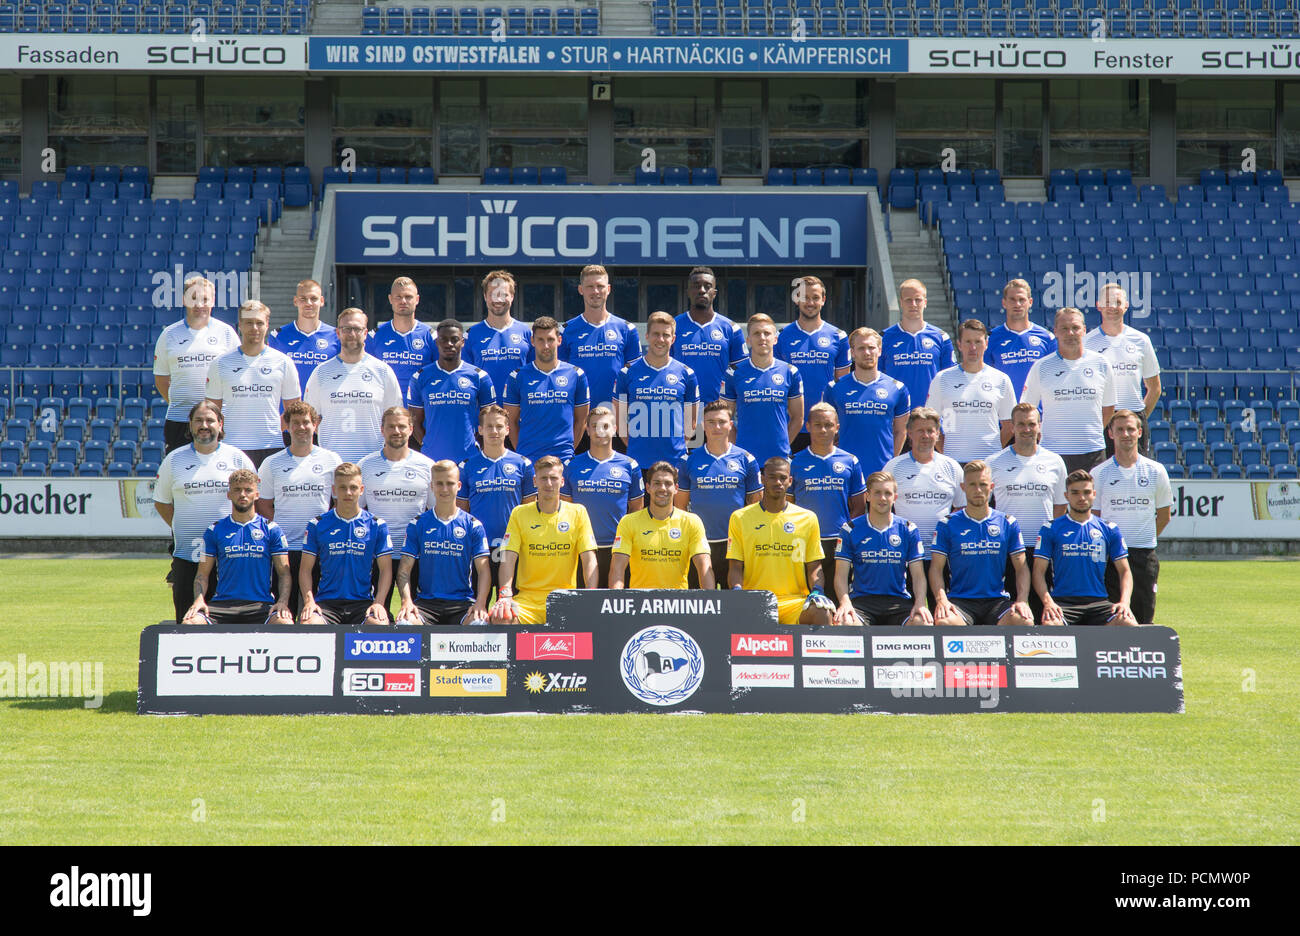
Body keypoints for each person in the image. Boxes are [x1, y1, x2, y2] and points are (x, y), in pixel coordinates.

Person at [154, 402, 255, 623]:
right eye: (198, 420)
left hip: (232, 557)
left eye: (210, 420)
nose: (204, 425)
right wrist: (182, 526)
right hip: (188, 557)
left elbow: (252, 500)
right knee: (188, 622)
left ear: (220, 424)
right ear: (190, 425)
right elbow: (161, 502)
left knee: (234, 623)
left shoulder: (237, 458)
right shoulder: (174, 459)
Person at [255, 400, 342, 615]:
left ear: (315, 425)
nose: (301, 427)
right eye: (295, 423)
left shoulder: (331, 459)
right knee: (285, 609)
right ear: (287, 426)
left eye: (306, 422)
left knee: (319, 609)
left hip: (321, 547)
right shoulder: (272, 463)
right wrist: (280, 528)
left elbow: (339, 502)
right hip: (285, 547)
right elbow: (263, 504)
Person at [492, 456, 599, 627]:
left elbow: (589, 559)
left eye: (554, 478)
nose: (549, 483)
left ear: (562, 481)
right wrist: (505, 594)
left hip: (565, 598)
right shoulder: (519, 513)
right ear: (535, 481)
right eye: (544, 478)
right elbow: (508, 557)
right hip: (528, 600)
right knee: (501, 618)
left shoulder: (578, 512)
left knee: (589, 622)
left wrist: (591, 597)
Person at [1090, 409, 1173, 627]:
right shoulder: (1099, 473)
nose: (1125, 434)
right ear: (1111, 434)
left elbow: (1164, 516)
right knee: (1110, 618)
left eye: (1130, 429)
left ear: (1139, 432)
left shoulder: (1156, 471)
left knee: (1143, 617)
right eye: (1120, 430)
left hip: (1143, 555)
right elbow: (1095, 519)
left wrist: (1143, 539)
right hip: (1109, 558)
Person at [726, 456, 832, 627]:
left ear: (790, 481)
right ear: (762, 479)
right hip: (755, 599)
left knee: (822, 613)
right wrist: (738, 593)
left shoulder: (808, 518)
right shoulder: (740, 518)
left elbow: (815, 567)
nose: (778, 482)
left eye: (783, 478)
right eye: (772, 477)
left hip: (795, 602)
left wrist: (818, 591)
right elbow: (735, 567)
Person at [988, 402, 1068, 623]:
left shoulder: (1055, 462)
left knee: (1043, 612)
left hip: (1042, 549)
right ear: (1011, 427)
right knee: (1011, 612)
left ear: (1039, 426)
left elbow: (1060, 507)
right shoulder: (994, 462)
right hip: (1006, 549)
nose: (1026, 429)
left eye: (1031, 424)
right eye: (1021, 424)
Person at [929, 461, 1034, 627]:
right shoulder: (947, 524)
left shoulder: (1007, 522)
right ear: (963, 487)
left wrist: (1022, 600)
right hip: (960, 601)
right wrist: (941, 600)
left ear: (991, 486)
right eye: (972, 485)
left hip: (997, 601)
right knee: (944, 622)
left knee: (1023, 621)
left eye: (983, 484)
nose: (978, 490)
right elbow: (936, 568)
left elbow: (1021, 568)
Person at [183, 470, 292, 626]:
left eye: (248, 490)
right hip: (223, 605)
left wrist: (282, 601)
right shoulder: (214, 530)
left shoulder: (272, 529)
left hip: (260, 604)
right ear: (229, 494)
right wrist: (199, 600)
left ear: (257, 494)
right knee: (190, 623)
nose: (242, 494)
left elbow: (284, 573)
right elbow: (202, 575)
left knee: (285, 624)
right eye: (237, 489)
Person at [203, 299, 301, 467]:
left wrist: (273, 430)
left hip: (272, 446)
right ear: (240, 325)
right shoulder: (221, 363)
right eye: (249, 323)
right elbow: (212, 411)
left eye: (259, 323)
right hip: (232, 447)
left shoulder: (283, 362)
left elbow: (294, 410)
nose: (254, 328)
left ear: (267, 324)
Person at [357, 406, 434, 618]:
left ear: (411, 429)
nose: (396, 431)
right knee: (374, 615)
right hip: (375, 555)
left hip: (415, 554)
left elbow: (434, 512)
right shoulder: (366, 466)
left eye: (401, 426)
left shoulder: (427, 466)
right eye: (391, 426)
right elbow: (356, 511)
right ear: (382, 430)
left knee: (415, 616)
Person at [1033, 470, 1137, 627]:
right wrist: (1048, 603)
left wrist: (1124, 602)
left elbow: (1125, 571)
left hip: (1099, 603)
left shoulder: (1109, 528)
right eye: (1075, 493)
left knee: (1128, 623)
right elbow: (1038, 572)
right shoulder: (1050, 528)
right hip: (1063, 603)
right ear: (1066, 496)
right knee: (1050, 626)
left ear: (1094, 494)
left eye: (1086, 492)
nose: (1081, 498)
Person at [1021, 307, 1118, 474]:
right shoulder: (1041, 367)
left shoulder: (1101, 364)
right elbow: (1027, 409)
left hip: (1092, 451)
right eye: (1064, 328)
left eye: (1075, 328)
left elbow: (1108, 408)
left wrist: (1089, 434)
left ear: (1084, 330)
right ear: (1056, 331)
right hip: (1052, 453)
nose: (1070, 333)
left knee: (1090, 501)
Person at [395, 461, 492, 626]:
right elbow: (404, 571)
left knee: (480, 624)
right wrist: (406, 601)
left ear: (459, 486)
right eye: (439, 483)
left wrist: (481, 603)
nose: (445, 489)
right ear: (431, 486)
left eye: (450, 483)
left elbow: (483, 570)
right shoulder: (418, 524)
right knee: (405, 624)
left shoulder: (473, 525)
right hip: (426, 604)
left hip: (462, 604)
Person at [676, 401, 761, 588]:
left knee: (736, 604)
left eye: (722, 422)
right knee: (701, 604)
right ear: (703, 425)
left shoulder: (746, 459)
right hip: (700, 543)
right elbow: (680, 506)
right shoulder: (688, 460)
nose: (717, 427)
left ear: (731, 425)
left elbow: (755, 504)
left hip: (735, 543)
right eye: (711, 422)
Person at [303, 307, 404, 463]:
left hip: (373, 462)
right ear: (338, 333)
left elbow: (396, 419)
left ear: (365, 333)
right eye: (346, 329)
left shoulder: (383, 371)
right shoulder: (321, 373)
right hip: (332, 463)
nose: (351, 334)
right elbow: (309, 419)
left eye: (357, 329)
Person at [788, 403, 866, 605]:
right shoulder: (794, 462)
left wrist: (848, 534)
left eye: (828, 425)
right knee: (804, 596)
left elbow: (858, 506)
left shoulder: (850, 461)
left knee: (836, 594)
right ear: (808, 426)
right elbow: (789, 504)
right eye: (818, 425)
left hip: (837, 540)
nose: (823, 430)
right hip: (803, 539)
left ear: (837, 427)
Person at [298, 462, 393, 628]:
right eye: (342, 487)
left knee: (379, 625)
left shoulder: (377, 525)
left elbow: (386, 570)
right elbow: (305, 569)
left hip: (362, 602)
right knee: (310, 623)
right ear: (334, 490)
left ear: (361, 489)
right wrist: (309, 601)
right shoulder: (317, 525)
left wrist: (378, 603)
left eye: (353, 487)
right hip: (326, 603)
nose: (348, 493)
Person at [832, 471, 932, 627]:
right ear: (867, 496)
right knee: (844, 623)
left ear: (895, 497)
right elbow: (840, 576)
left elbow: (918, 575)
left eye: (887, 493)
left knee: (923, 623)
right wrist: (845, 603)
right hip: (862, 602)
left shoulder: (908, 529)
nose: (883, 498)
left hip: (898, 603)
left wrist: (920, 603)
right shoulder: (850, 529)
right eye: (877, 493)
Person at [457, 405, 536, 600]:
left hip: (513, 547)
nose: (494, 431)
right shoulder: (467, 466)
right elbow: (462, 511)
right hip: (479, 547)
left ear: (507, 430)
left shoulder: (523, 464)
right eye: (489, 426)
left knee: (510, 606)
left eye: (499, 426)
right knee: (476, 606)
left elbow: (529, 509)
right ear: (480, 430)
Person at [153, 275, 238, 455]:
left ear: (213, 301)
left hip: (216, 420)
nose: (199, 304)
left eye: (205, 299)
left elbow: (237, 374)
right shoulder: (169, 335)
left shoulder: (227, 333)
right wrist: (183, 405)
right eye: (194, 298)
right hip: (179, 419)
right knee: (179, 471)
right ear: (184, 300)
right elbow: (161, 379)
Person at [562, 407, 644, 587]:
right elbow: (566, 510)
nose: (600, 431)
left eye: (606, 426)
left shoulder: (630, 465)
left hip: (619, 549)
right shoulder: (571, 465)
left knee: (616, 608)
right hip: (581, 549)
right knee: (584, 607)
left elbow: (637, 509)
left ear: (614, 429)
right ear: (587, 430)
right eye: (595, 426)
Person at [615, 310, 699, 475]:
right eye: (656, 334)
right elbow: (619, 420)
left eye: (666, 335)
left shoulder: (686, 374)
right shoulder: (627, 373)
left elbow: (692, 422)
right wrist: (636, 446)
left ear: (673, 339)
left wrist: (675, 447)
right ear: (646, 336)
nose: (660, 339)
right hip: (638, 461)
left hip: (675, 462)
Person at [609, 461, 713, 589]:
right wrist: (616, 601)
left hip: (677, 603)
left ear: (676, 488)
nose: (662, 488)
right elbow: (617, 568)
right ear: (648, 488)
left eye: (668, 484)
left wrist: (709, 602)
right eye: (657, 483)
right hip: (640, 602)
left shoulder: (691, 521)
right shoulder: (628, 522)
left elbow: (704, 566)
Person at [882, 407, 966, 566]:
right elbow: (881, 507)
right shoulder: (893, 467)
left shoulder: (952, 466)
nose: (926, 435)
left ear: (938, 434)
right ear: (909, 433)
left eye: (930, 430)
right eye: (920, 430)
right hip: (903, 552)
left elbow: (962, 508)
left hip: (942, 553)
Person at [561, 264, 642, 427]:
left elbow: (635, 377)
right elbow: (559, 375)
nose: (595, 291)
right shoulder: (566, 331)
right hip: (577, 419)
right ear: (580, 289)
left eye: (600, 286)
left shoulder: (627, 329)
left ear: (609, 289)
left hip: (616, 419)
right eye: (590, 287)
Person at [776, 275, 850, 452]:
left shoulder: (838, 336)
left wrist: (841, 423)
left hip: (825, 425)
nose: (810, 302)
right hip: (789, 425)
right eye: (805, 297)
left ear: (823, 300)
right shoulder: (781, 336)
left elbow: (844, 386)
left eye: (815, 297)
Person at [1086, 283, 1161, 458]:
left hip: (1132, 415)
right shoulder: (1087, 342)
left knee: (1135, 474)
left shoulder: (1141, 340)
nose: (1113, 307)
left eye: (1118, 302)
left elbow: (1155, 388)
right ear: (1099, 305)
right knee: (1100, 474)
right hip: (1100, 419)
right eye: (1107, 302)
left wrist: (1137, 419)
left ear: (1126, 306)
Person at [926, 318, 1015, 464]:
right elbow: (930, 423)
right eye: (968, 342)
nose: (973, 347)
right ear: (959, 345)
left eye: (978, 342)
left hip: (989, 463)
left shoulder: (1001, 379)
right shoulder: (942, 379)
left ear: (986, 344)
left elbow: (1009, 425)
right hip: (952, 462)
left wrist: (992, 452)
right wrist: (946, 452)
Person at [407, 318, 496, 464]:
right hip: (432, 460)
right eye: (444, 339)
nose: (449, 344)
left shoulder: (479, 376)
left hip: (469, 459)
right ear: (437, 343)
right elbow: (414, 422)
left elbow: (490, 420)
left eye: (454, 339)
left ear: (462, 342)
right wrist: (428, 446)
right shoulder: (420, 377)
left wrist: (477, 445)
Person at [824, 326, 909, 476]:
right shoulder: (834, 388)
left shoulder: (897, 388)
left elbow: (900, 431)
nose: (867, 353)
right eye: (861, 348)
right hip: (844, 470)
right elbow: (828, 432)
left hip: (881, 470)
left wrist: (890, 464)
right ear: (852, 353)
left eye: (871, 347)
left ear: (880, 350)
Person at [504, 316, 590, 463]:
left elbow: (581, 420)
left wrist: (568, 452)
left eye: (550, 339)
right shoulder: (517, 377)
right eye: (540, 340)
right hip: (528, 457)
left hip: (563, 458)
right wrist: (522, 455)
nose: (546, 346)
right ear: (532, 341)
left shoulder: (576, 374)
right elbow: (510, 422)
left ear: (559, 340)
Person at [721, 313, 804, 465]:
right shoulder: (733, 372)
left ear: (775, 338)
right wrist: (739, 449)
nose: (762, 337)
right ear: (748, 340)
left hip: (779, 458)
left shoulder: (790, 372)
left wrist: (783, 446)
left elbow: (798, 418)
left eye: (767, 333)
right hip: (744, 458)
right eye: (756, 333)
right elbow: (724, 418)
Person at [878, 278, 955, 421]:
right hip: (895, 417)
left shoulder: (941, 338)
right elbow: (876, 378)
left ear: (925, 302)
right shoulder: (884, 338)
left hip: (930, 418)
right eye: (908, 300)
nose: (913, 304)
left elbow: (950, 381)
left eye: (918, 300)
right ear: (900, 302)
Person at [672, 266, 745, 407]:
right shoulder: (673, 326)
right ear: (688, 292)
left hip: (717, 409)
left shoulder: (731, 328)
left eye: (707, 286)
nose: (702, 290)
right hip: (681, 407)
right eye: (696, 286)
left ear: (714, 293)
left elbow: (740, 371)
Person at [463, 269, 533, 400]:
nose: (498, 299)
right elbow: (464, 376)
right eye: (493, 294)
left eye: (504, 294)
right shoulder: (470, 335)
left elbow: (536, 373)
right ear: (485, 296)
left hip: (519, 411)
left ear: (512, 296)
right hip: (484, 412)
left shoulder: (527, 332)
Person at [984, 278, 1056, 399]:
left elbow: (1055, 377)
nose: (1017, 304)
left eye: (1021, 300)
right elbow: (984, 377)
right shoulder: (990, 339)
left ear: (1030, 302)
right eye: (1012, 299)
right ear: (1004, 303)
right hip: (1004, 414)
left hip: (1037, 414)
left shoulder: (1047, 338)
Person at [267, 278, 339, 393]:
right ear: (295, 301)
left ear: (321, 301)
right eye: (303, 299)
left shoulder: (336, 336)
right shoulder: (278, 336)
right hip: (288, 409)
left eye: (314, 299)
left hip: (321, 409)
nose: (308, 303)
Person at [365, 275, 433, 394]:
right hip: (386, 408)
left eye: (408, 297)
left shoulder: (431, 336)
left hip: (418, 408)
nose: (403, 301)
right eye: (398, 297)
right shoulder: (374, 336)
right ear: (390, 299)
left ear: (417, 300)